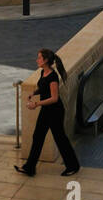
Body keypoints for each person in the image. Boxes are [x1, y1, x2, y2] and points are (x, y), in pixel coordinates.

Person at [15, 48, 80, 178]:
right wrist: (34, 93)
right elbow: (43, 88)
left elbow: (54, 98)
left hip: (55, 111)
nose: (37, 60)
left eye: (39, 58)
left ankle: (73, 166)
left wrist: (36, 104)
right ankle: (30, 168)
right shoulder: (44, 72)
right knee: (38, 136)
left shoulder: (53, 76)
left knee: (60, 138)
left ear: (45, 60)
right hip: (46, 110)